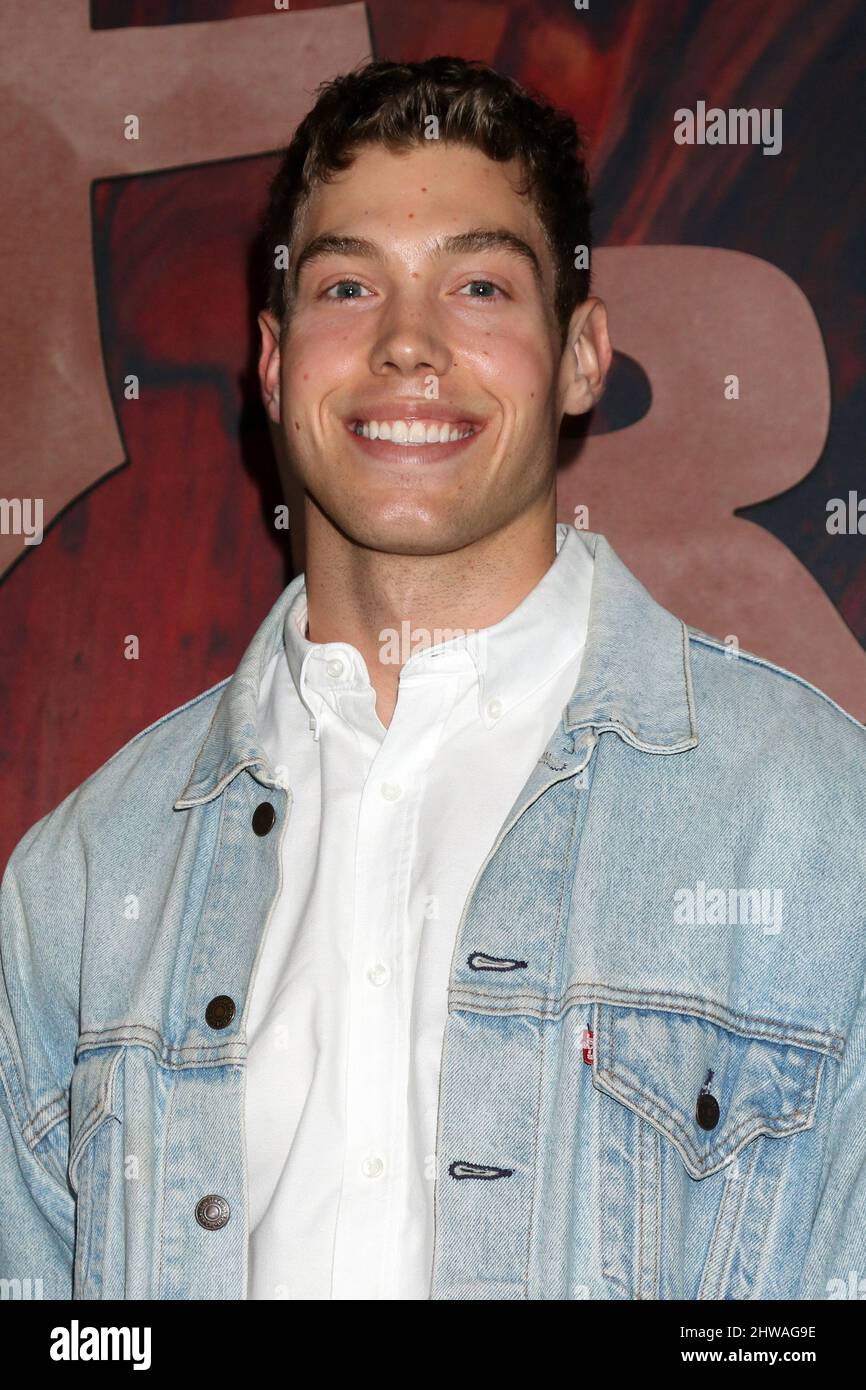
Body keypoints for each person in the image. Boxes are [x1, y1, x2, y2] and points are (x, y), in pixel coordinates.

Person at [1, 56, 864, 1303]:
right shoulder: (83, 885)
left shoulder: (814, 830)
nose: (409, 344)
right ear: (273, 361)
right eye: (348, 285)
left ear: (578, 357)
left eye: (476, 284)